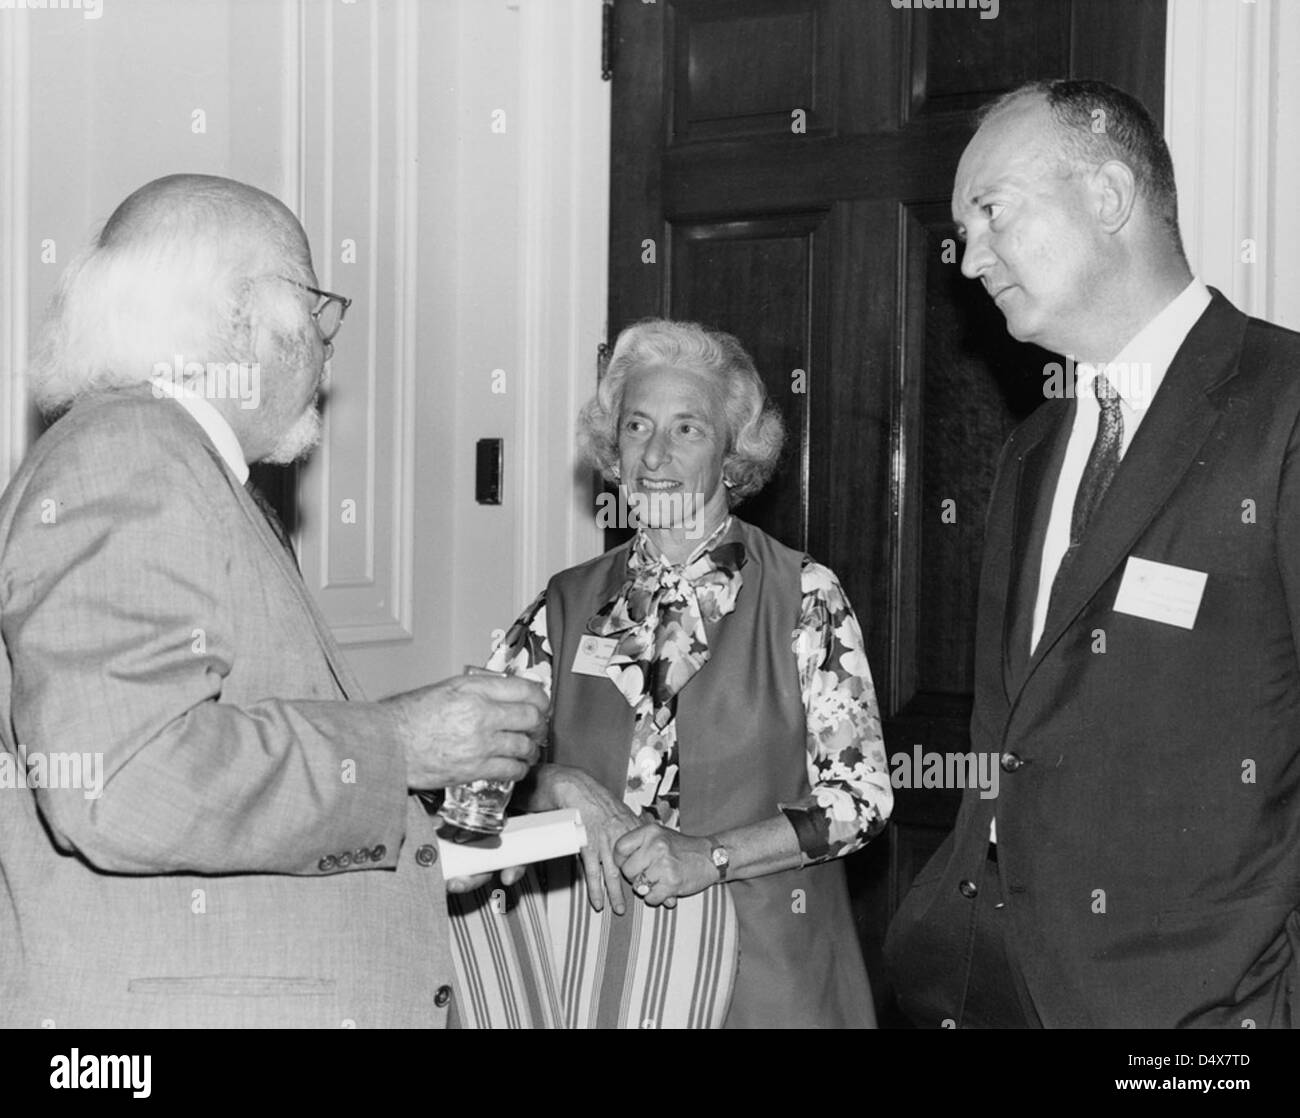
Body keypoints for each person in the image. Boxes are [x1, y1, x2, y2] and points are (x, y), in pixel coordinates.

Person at [0, 173, 546, 1028]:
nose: (329, 350)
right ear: (243, 318)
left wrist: (414, 847)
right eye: (320, 310)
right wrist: (402, 743)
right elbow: (123, 782)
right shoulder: (133, 460)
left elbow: (219, 783)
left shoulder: (173, 462)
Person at [885, 79, 1300, 1028]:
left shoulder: (1284, 407)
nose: (968, 254)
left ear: (1108, 198)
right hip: (990, 982)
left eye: (990, 211)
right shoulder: (1032, 447)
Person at [458, 319, 892, 1028]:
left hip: (766, 974)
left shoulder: (803, 595)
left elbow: (862, 802)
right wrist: (551, 783)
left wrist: (710, 856)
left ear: (730, 453)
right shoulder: (565, 603)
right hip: (599, 968)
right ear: (613, 447)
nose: (655, 453)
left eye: (687, 429)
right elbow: (470, 775)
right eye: (636, 426)